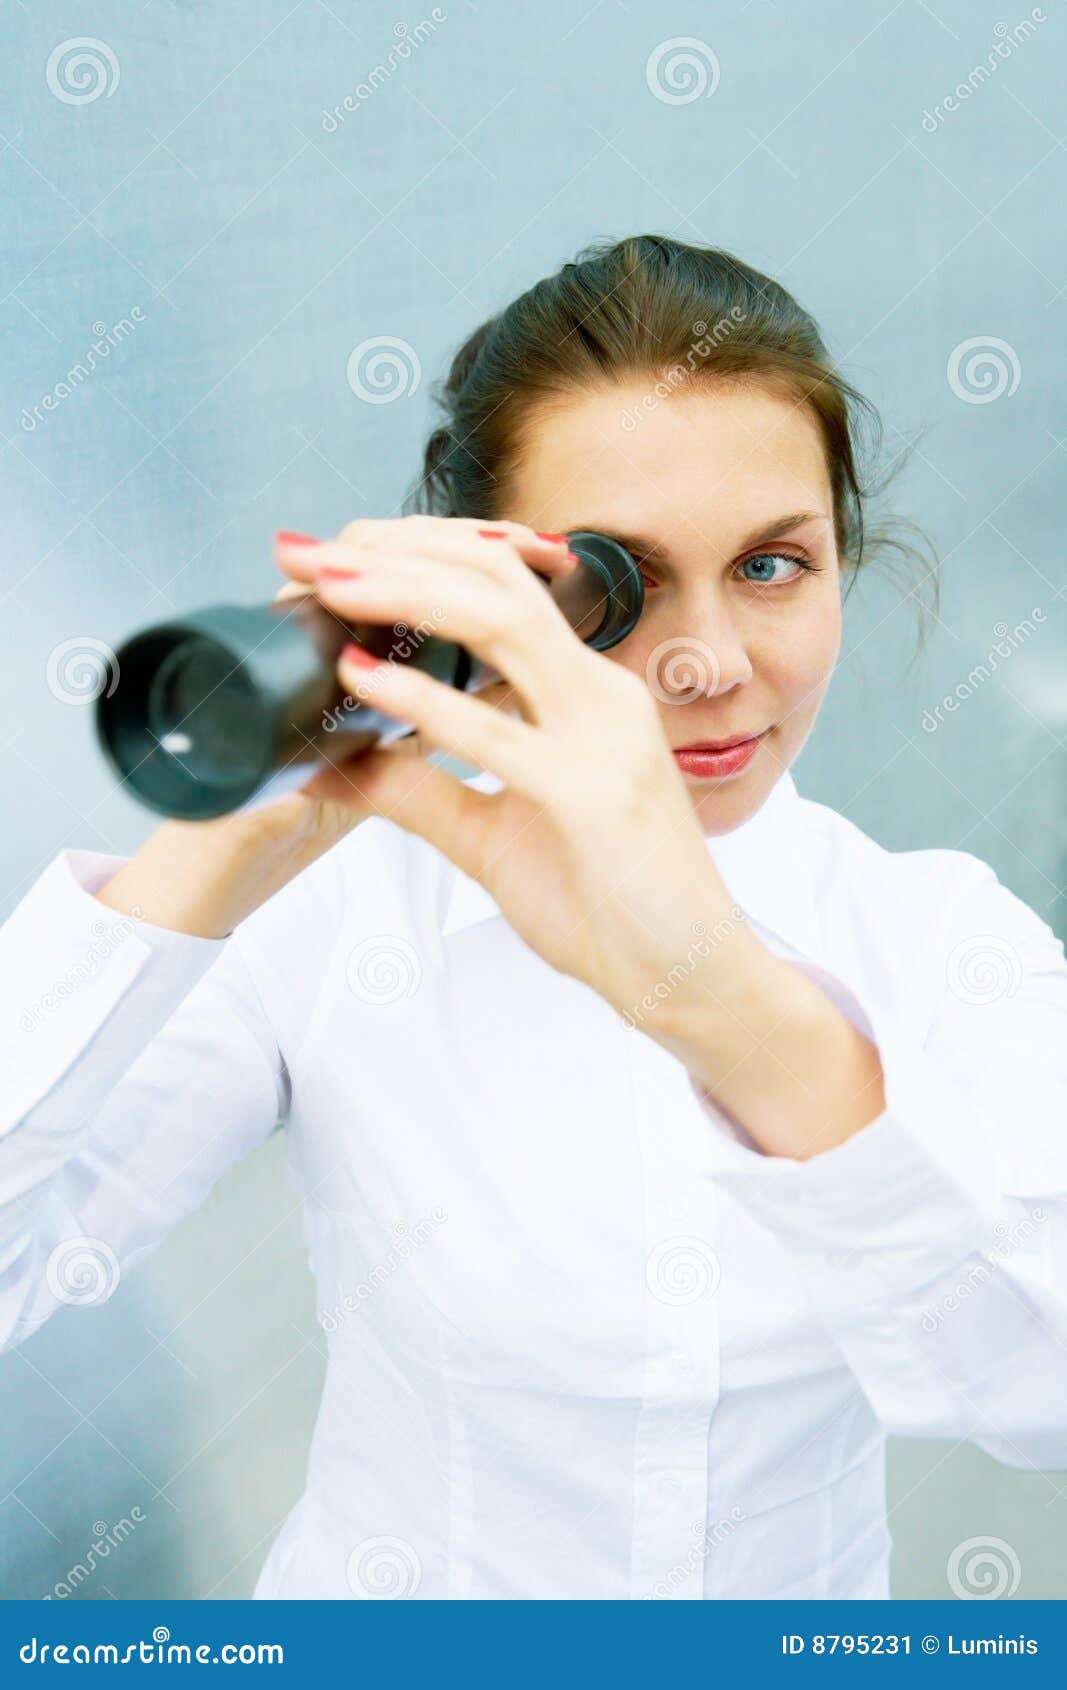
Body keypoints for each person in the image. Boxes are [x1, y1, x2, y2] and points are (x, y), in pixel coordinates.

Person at [3, 235, 1066, 1601]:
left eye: (773, 566)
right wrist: (229, 835)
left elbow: (1039, 1387)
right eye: (612, 584)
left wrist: (724, 1002)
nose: (708, 662)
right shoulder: (340, 915)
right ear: (484, 598)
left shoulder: (941, 939)